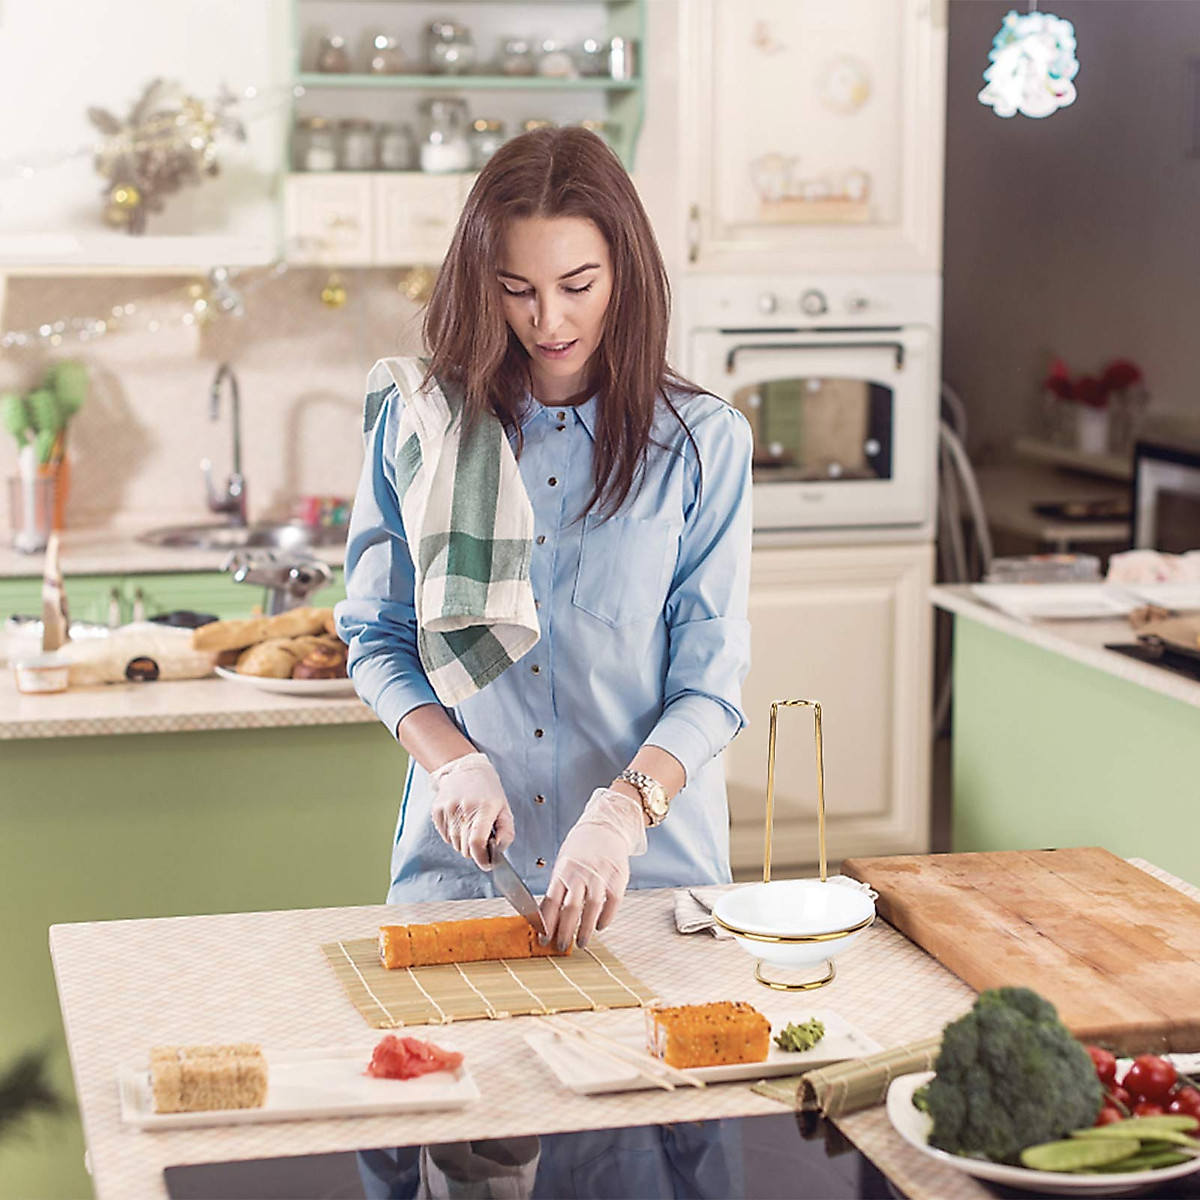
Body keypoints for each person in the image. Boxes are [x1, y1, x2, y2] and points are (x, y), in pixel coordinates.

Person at [335, 126, 752, 952]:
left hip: (649, 881)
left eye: (577, 284)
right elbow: (376, 639)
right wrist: (451, 760)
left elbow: (713, 683)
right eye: (516, 287)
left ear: (623, 276)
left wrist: (627, 807)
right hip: (462, 878)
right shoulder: (418, 426)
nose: (549, 319)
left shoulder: (703, 444)